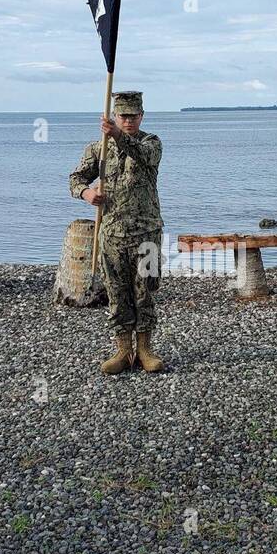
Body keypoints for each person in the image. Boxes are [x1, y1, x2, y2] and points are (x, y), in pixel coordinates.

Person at [69, 90, 166, 374]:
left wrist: (117, 136)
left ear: (142, 116)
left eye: (133, 116)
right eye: (123, 116)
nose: (128, 121)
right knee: (117, 293)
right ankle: (123, 350)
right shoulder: (99, 148)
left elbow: (142, 155)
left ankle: (145, 350)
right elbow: (75, 178)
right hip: (112, 234)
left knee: (144, 292)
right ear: (114, 116)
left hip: (146, 233)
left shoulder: (151, 143)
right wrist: (86, 192)